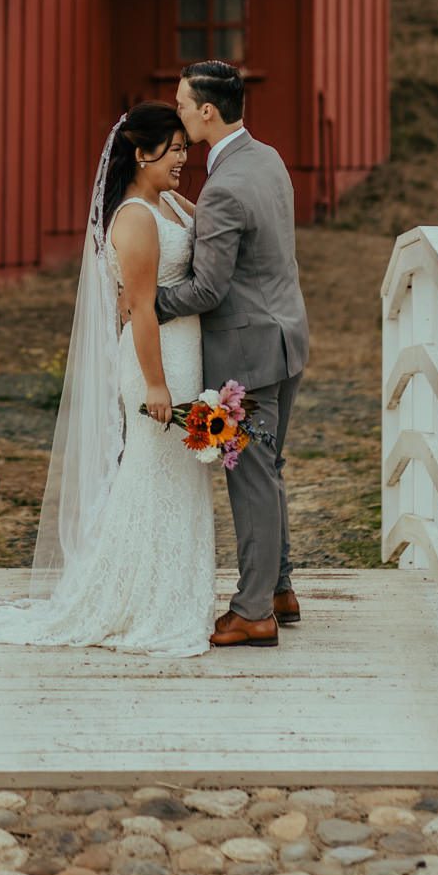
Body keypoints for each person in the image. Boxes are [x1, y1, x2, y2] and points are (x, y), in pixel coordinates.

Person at [0, 102, 217, 657]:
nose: (184, 158)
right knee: (152, 476)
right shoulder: (136, 218)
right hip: (156, 360)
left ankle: (171, 592)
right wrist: (157, 384)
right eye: (175, 148)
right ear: (141, 153)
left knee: (180, 480)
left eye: (185, 147)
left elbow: (210, 222)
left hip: (185, 352)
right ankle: (138, 600)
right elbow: (141, 308)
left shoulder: (167, 201)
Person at [158, 60, 310, 648]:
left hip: (245, 352)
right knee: (267, 470)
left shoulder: (221, 188)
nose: (178, 114)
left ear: (206, 112)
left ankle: (253, 612)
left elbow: (206, 290)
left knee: (250, 476)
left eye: (181, 105)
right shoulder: (266, 159)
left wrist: (145, 302)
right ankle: (279, 588)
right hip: (285, 335)